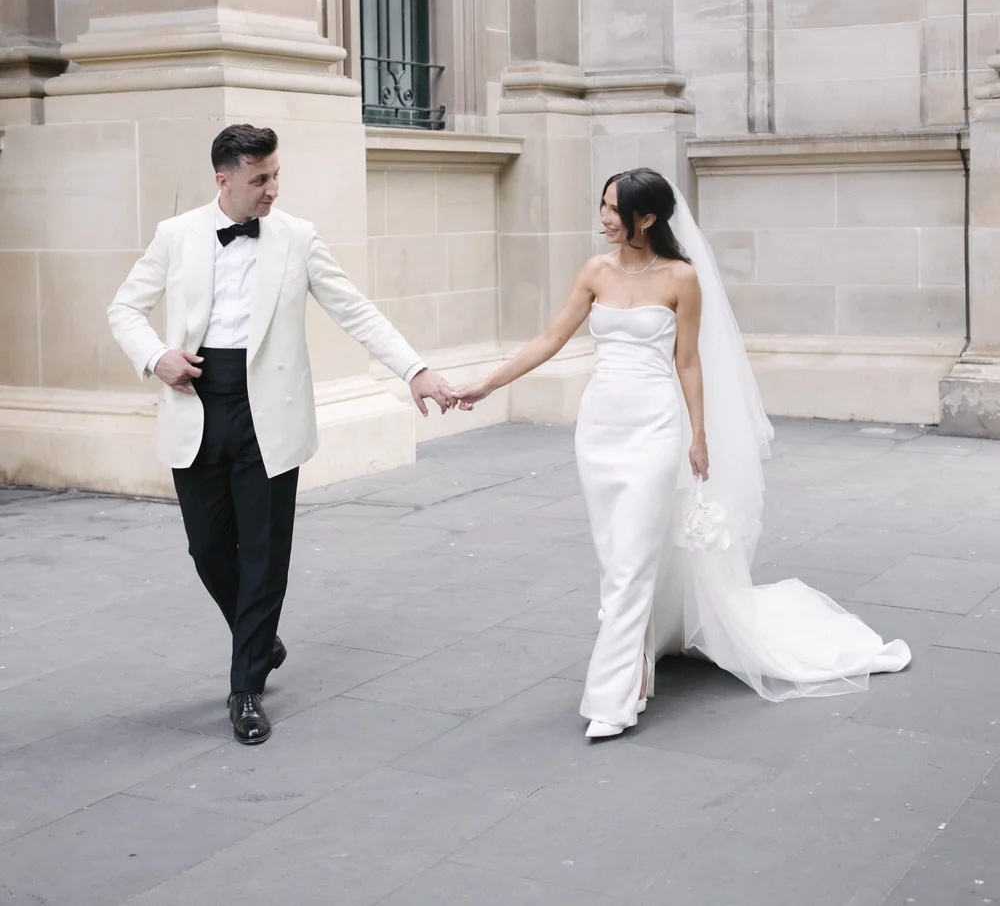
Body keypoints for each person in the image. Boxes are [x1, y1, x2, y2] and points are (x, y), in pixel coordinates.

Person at [457, 167, 910, 738]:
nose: (604, 217)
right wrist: (486, 384)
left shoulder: (680, 277)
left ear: (647, 218)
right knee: (615, 556)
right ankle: (639, 664)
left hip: (654, 428)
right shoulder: (594, 271)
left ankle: (612, 700)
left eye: (615, 209)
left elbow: (688, 361)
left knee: (631, 562)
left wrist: (699, 435)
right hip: (599, 429)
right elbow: (551, 339)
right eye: (603, 204)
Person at [108, 123, 460, 746]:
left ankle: (245, 687)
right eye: (260, 179)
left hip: (270, 413)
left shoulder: (297, 238)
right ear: (224, 179)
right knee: (208, 548)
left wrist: (415, 369)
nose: (273, 189)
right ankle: (262, 640)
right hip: (195, 402)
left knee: (264, 553)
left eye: (275, 176)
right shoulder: (176, 234)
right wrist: (156, 356)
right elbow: (124, 308)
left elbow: (354, 309)